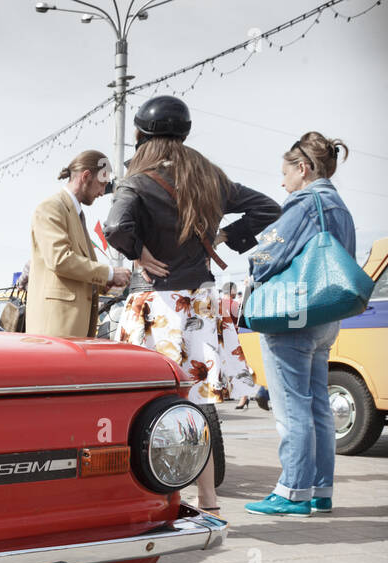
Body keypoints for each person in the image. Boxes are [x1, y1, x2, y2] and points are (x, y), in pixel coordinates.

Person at [104, 95, 280, 515]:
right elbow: (268, 209)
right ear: (184, 134)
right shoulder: (210, 178)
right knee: (197, 400)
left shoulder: (137, 179)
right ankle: (208, 500)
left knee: (146, 399)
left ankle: (151, 495)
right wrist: (224, 239)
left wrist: (137, 252)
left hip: (155, 304)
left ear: (141, 136)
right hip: (201, 301)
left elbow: (115, 226)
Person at [243, 132, 356, 518]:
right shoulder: (340, 207)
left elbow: (269, 255)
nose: (282, 182)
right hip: (325, 317)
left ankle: (292, 492)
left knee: (291, 408)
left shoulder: (304, 204)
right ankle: (319, 492)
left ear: (303, 169)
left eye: (285, 173)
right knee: (319, 408)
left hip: (292, 317)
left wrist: (252, 269)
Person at [28, 149, 131, 338]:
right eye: (102, 185)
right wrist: (109, 273)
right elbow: (60, 260)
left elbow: (74, 270)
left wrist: (104, 282)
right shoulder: (51, 208)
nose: (102, 192)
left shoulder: (75, 213)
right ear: (86, 176)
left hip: (70, 329)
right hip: (55, 330)